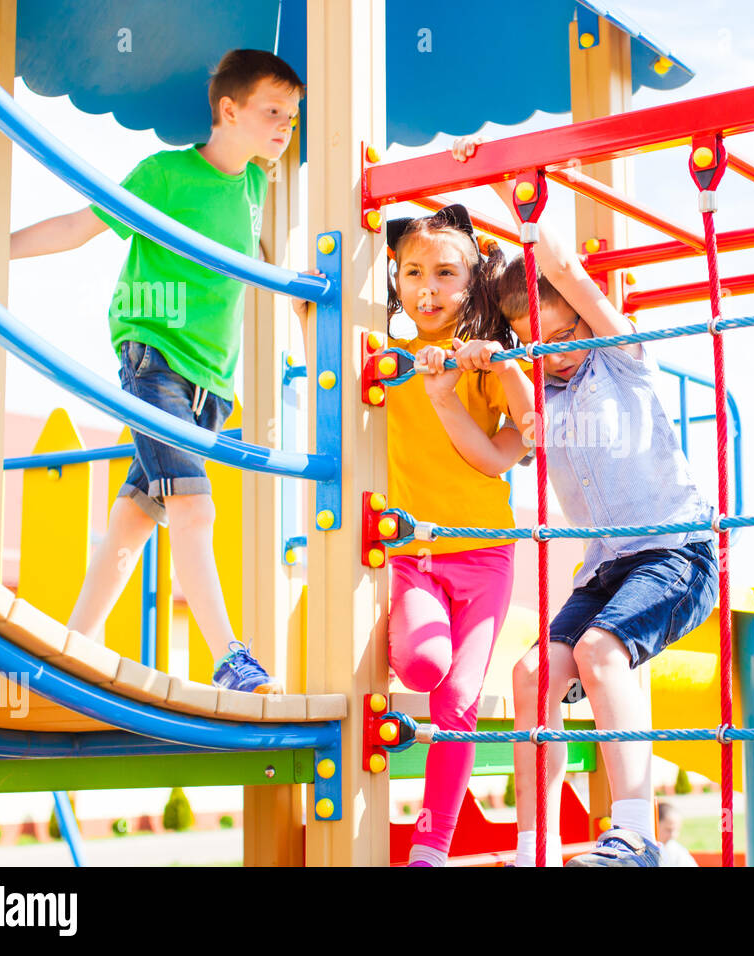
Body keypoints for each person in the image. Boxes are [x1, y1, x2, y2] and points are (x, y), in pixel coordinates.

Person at [0, 50, 306, 693]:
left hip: (212, 382)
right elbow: (79, 225)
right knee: (193, 507)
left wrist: (306, 306)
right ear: (227, 111)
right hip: (153, 361)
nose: (285, 126)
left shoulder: (257, 186)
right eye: (271, 112)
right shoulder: (166, 175)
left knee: (135, 517)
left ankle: (75, 644)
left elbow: (275, 262)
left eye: (291, 116)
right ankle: (229, 657)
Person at [450, 135, 720, 867]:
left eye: (567, 332)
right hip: (606, 568)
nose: (561, 350)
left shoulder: (622, 360)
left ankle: (635, 834)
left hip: (678, 551)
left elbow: (567, 271)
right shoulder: (539, 390)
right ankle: (534, 844)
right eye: (540, 342)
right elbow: (492, 443)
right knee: (532, 674)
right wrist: (477, 363)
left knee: (602, 653)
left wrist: (520, 204)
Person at [297, 204, 534, 866]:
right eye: (411, 272)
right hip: (411, 556)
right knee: (424, 667)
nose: (427, 288)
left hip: (484, 554)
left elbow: (527, 432)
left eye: (445, 273)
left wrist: (496, 364)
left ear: (474, 280)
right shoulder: (382, 357)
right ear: (392, 280)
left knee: (457, 700)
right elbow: (314, 324)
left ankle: (429, 847)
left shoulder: (486, 362)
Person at [657, 802, 698, 867]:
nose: (673, 835)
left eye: (677, 830)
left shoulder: (677, 852)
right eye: (668, 830)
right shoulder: (642, 849)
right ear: (655, 826)